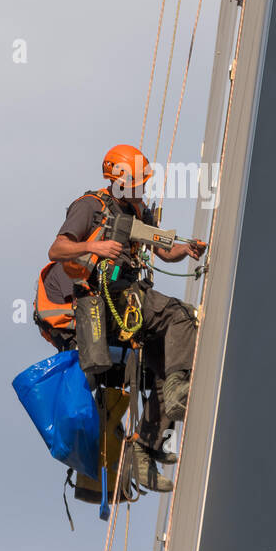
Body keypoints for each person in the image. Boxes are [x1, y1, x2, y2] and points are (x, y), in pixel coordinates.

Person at [44, 144, 204, 493]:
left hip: (128, 301)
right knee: (179, 317)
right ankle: (178, 392)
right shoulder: (90, 207)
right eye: (137, 180)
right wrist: (95, 247)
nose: (143, 187)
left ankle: (144, 453)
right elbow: (57, 249)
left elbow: (164, 251)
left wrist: (186, 249)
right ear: (119, 180)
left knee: (164, 362)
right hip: (106, 302)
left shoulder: (139, 211)